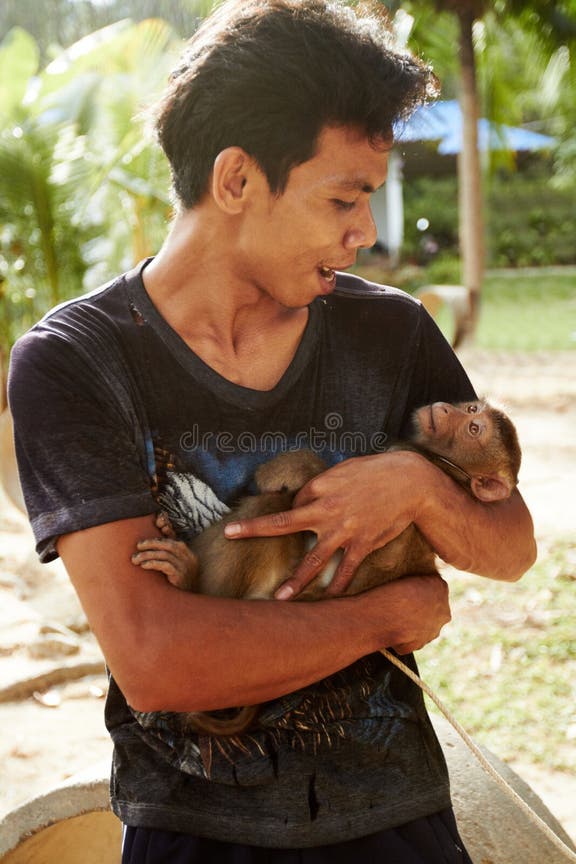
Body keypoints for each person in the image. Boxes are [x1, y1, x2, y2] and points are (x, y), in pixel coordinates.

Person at [8, 1, 536, 862]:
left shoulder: (390, 333)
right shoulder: (75, 363)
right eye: (343, 200)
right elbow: (159, 662)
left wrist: (414, 485)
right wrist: (393, 611)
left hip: (396, 813)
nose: (363, 234)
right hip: (194, 827)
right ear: (237, 181)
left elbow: (509, 547)